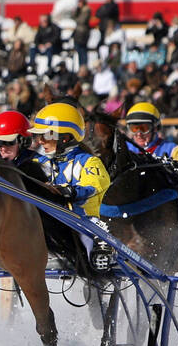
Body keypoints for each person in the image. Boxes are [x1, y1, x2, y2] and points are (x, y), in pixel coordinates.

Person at [27, 100, 114, 270]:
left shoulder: (89, 162)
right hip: (49, 222)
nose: (40, 141)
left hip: (82, 222)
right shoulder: (38, 162)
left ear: (65, 138)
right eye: (38, 136)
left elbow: (93, 186)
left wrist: (69, 191)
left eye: (46, 135)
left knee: (90, 232)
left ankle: (102, 249)